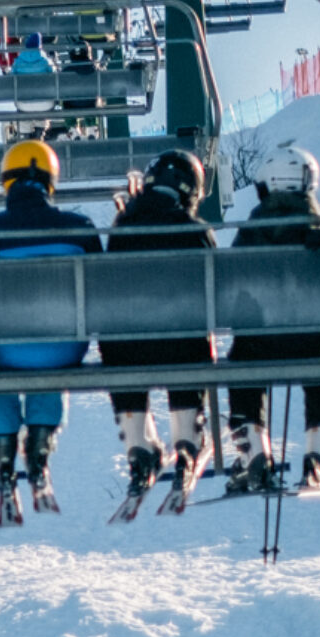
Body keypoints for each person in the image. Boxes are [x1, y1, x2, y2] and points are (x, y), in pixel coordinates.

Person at [0, 139, 99, 523]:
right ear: (51, 182)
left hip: (4, 354)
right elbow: (102, 294)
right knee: (50, 342)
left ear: (7, 182)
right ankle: (38, 450)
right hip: (64, 350)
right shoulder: (80, 230)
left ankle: (5, 459)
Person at [225, 143, 320, 491]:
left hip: (257, 346)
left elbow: (232, 289)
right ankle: (319, 455)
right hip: (309, 344)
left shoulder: (249, 233)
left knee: (242, 359)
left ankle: (253, 455)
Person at [102, 148, 217, 515]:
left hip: (128, 356)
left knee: (120, 339)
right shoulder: (195, 232)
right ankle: (187, 441)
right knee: (189, 334)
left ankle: (140, 447)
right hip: (183, 352)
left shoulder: (121, 231)